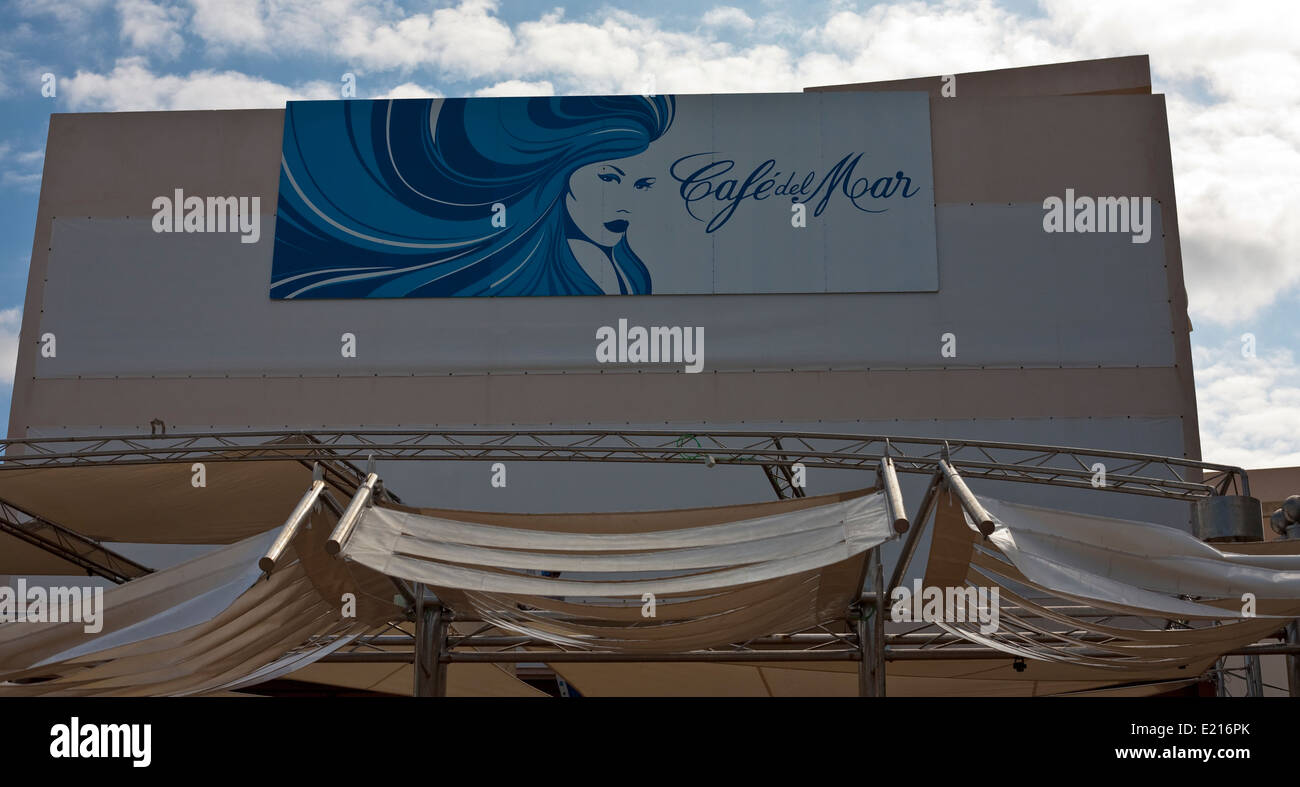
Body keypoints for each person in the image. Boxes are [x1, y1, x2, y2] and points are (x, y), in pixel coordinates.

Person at [272, 94, 676, 298]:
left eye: (642, 186)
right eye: (609, 178)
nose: (627, 204)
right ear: (561, 175)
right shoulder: (516, 265)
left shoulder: (628, 276)